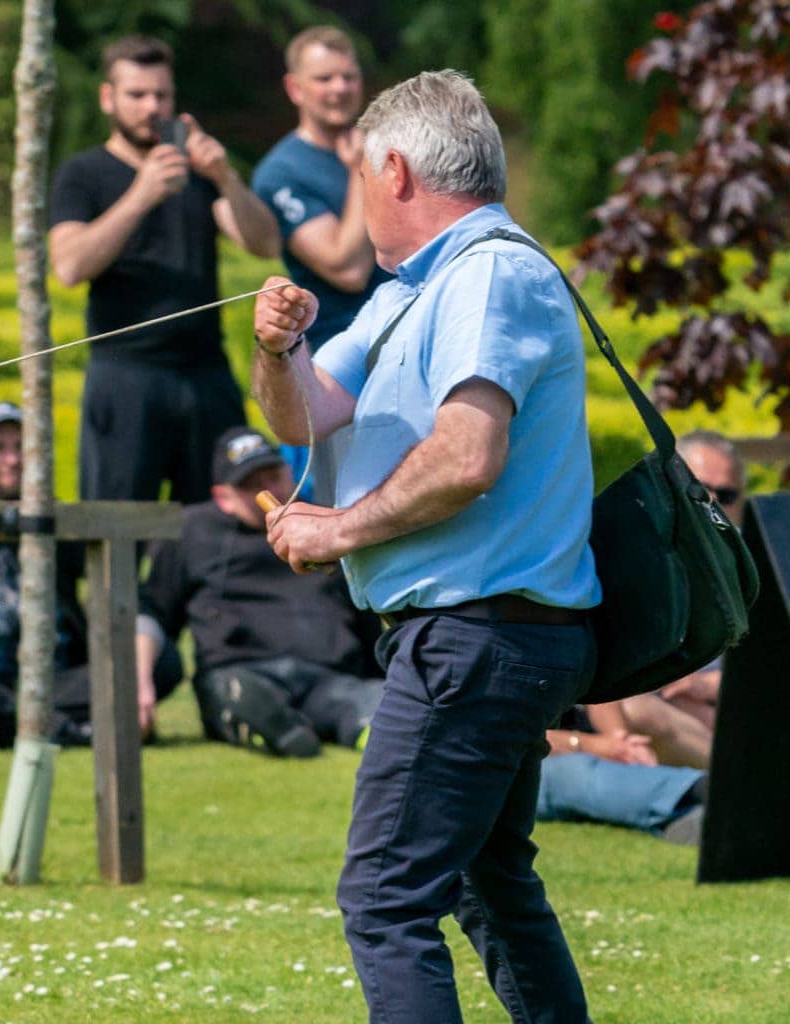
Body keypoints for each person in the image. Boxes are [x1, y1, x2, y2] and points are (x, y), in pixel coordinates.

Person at [252, 71, 600, 1020]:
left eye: (360, 175)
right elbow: (310, 412)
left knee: (384, 900)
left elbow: (467, 455)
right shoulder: (419, 287)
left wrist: (338, 529)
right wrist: (276, 348)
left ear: (394, 170)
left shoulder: (492, 271)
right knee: (492, 889)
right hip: (474, 634)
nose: (356, 197)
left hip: (478, 633)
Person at [48, 35, 278, 505]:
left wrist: (225, 177)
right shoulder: (83, 173)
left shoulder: (197, 171)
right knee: (114, 527)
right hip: (126, 373)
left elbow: (264, 243)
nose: (152, 106)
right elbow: (69, 266)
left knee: (221, 523)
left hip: (206, 373)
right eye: (137, 95)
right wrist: (142, 193)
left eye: (162, 95)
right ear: (108, 98)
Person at [0, 401, 182, 751]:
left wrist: (140, 682)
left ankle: (12, 730)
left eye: (22, 447)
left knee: (160, 661)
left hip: (59, 680)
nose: (12, 459)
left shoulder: (64, 522)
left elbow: (129, 600)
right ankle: (70, 729)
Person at [137, 426, 382, 756]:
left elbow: (361, 607)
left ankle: (366, 729)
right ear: (222, 496)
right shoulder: (192, 531)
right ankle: (285, 734)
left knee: (376, 705)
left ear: (289, 473)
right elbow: (151, 611)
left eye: (274, 476)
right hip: (243, 671)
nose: (268, 489)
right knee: (238, 695)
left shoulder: (320, 522)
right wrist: (139, 682)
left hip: (329, 675)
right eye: (251, 484)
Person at [249, 26, 394, 505]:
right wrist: (361, 176)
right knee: (349, 512)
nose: (339, 88)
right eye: (324, 78)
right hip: (336, 374)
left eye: (349, 77)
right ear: (295, 88)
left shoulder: (384, 149)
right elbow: (345, 266)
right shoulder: (281, 172)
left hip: (400, 357)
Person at [581, 430, 743, 766]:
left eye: (725, 494)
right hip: (644, 700)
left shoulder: (758, 565)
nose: (711, 501)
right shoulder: (638, 556)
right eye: (700, 488)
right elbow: (599, 652)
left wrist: (705, 685)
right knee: (637, 708)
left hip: (728, 707)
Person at [539, 714, 707, 846]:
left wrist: (620, 741)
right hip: (531, 761)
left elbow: (599, 686)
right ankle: (701, 791)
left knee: (640, 708)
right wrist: (591, 744)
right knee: (571, 772)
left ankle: (687, 817)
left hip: (584, 748)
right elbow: (518, 731)